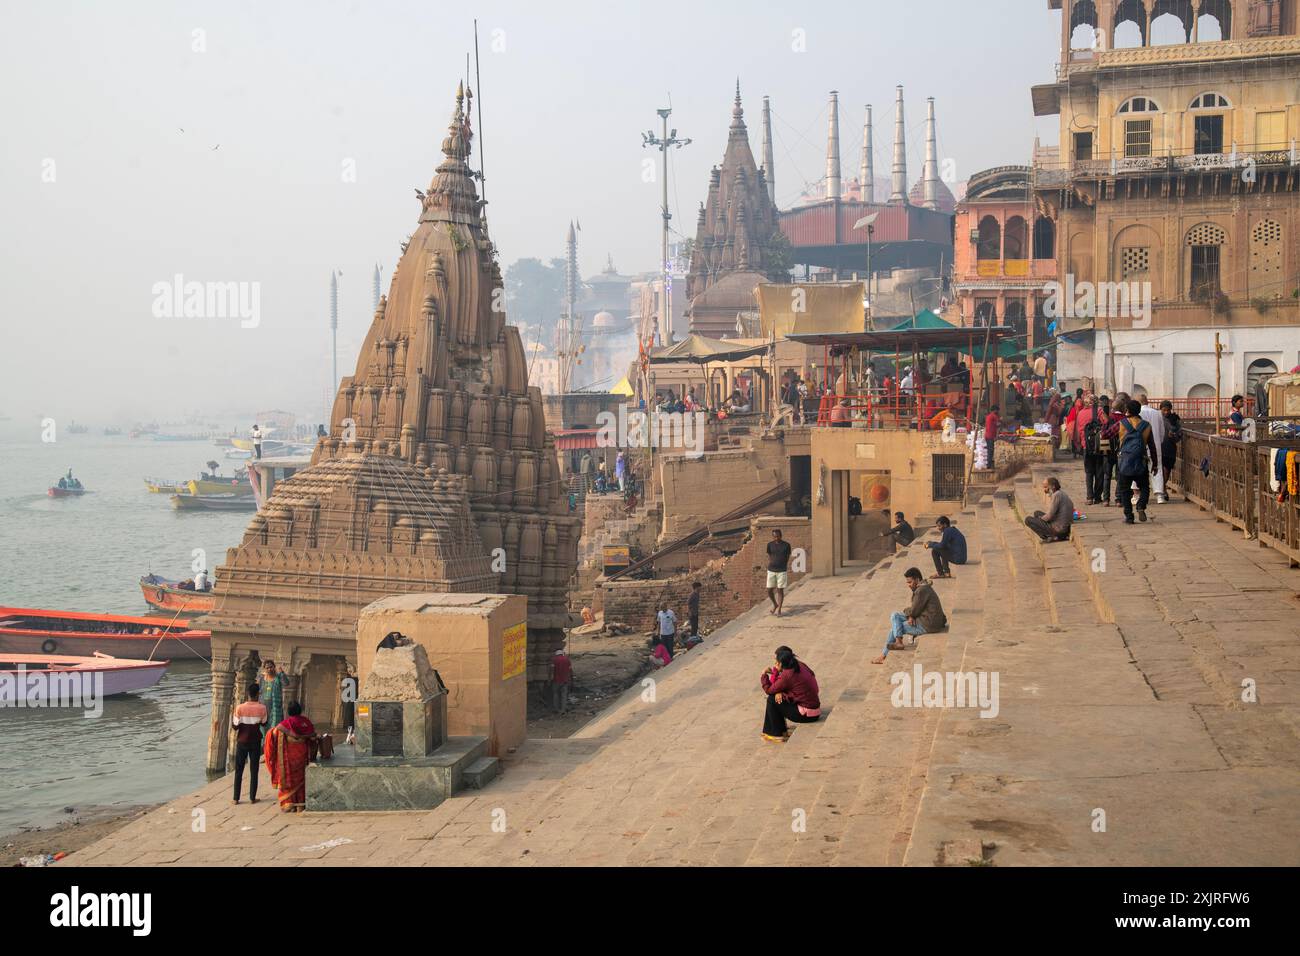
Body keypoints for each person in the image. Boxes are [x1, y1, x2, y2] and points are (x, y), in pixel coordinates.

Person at [873, 568, 946, 664]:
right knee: (895, 615)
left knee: (894, 629)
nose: (909, 585)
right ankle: (898, 641)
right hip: (924, 617)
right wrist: (912, 615)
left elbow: (913, 610)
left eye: (910, 582)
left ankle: (884, 655)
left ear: (917, 580)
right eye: (907, 583)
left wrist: (911, 613)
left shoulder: (921, 590)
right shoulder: (923, 587)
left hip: (928, 624)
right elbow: (915, 609)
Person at [760, 646, 821, 742]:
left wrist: (764, 675)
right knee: (777, 696)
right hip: (815, 710)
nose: (774, 664)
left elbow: (769, 690)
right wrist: (779, 691)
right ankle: (781, 730)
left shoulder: (787, 674)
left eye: (776, 662)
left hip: (806, 715)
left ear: (781, 663)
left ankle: (775, 733)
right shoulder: (800, 665)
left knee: (772, 699)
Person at [263, 700, 315, 812]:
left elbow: (276, 730)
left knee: (288, 779)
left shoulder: (287, 723)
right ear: (300, 710)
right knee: (301, 779)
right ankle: (301, 804)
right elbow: (312, 735)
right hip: (303, 755)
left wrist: (291, 735)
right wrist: (303, 736)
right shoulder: (306, 722)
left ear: (289, 711)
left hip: (289, 757)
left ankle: (289, 803)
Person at [1116, 398, 1159, 524]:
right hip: (1141, 461)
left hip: (1125, 462)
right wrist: (1155, 464)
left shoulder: (1122, 423)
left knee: (1124, 490)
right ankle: (1141, 506)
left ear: (1127, 410)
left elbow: (1106, 434)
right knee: (1145, 487)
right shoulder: (1146, 425)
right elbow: (1152, 446)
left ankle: (1129, 516)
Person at [231, 682, 268, 805]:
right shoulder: (262, 708)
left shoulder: (240, 708)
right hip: (255, 741)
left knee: (239, 770)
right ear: (258, 694)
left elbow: (235, 726)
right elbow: (264, 723)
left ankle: (236, 798)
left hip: (242, 741)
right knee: (254, 770)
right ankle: (252, 797)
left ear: (248, 694)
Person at [1137, 395, 1168, 503]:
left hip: (1139, 445)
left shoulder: (1137, 413)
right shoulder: (1157, 413)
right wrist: (1159, 442)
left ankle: (1136, 495)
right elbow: (1162, 431)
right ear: (1147, 401)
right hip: (1155, 445)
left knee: (1137, 468)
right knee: (1157, 468)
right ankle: (1160, 495)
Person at [1025, 476, 1075, 541]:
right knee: (1036, 513)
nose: (1045, 490)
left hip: (1059, 529)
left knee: (1028, 520)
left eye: (1046, 487)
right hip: (1063, 526)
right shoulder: (1061, 493)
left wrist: (1039, 520)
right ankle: (1050, 536)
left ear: (1053, 486)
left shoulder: (1056, 495)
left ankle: (1049, 537)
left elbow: (1049, 515)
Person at [1078, 395, 1106, 504]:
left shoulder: (1080, 413)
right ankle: (1098, 497)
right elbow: (1105, 423)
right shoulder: (1099, 411)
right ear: (1095, 402)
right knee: (1099, 471)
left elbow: (1078, 431)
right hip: (1098, 446)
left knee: (1089, 472)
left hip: (1086, 446)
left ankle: (1089, 497)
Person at [765, 528, 792, 616]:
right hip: (771, 570)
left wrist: (783, 565)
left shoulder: (786, 545)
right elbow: (769, 555)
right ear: (772, 537)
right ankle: (775, 604)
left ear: (781, 536)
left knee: (780, 590)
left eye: (778, 536)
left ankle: (779, 609)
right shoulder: (770, 545)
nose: (776, 538)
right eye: (775, 536)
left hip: (781, 570)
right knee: (769, 590)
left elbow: (787, 556)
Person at [1159, 400, 1183, 492]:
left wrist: (1174, 436)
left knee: (1168, 469)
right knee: (1160, 469)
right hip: (1159, 447)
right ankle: (1162, 488)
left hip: (1170, 447)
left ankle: (1163, 486)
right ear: (1160, 409)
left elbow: (1180, 433)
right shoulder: (1157, 418)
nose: (1166, 412)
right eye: (1164, 410)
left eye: (1168, 410)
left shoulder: (1175, 419)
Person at [259, 660, 287, 733]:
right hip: (263, 707)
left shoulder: (278, 677)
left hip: (275, 708)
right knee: (262, 729)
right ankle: (263, 744)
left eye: (271, 667)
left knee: (274, 729)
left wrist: (282, 673)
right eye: (267, 668)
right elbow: (259, 691)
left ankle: (272, 744)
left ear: (274, 667)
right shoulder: (262, 678)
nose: (269, 669)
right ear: (264, 669)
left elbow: (286, 683)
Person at [550, 647, 572, 714]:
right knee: (564, 696)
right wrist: (571, 678)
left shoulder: (554, 660)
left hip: (556, 680)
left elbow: (551, 670)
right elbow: (570, 670)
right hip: (565, 681)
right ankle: (563, 709)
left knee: (555, 694)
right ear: (562, 652)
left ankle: (556, 709)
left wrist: (549, 679)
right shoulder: (567, 660)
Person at [983, 404, 1000, 469]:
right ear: (995, 410)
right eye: (997, 410)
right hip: (990, 436)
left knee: (989, 450)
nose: (998, 412)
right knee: (991, 450)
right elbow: (998, 424)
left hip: (987, 435)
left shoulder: (988, 416)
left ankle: (989, 463)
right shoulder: (994, 416)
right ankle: (989, 465)